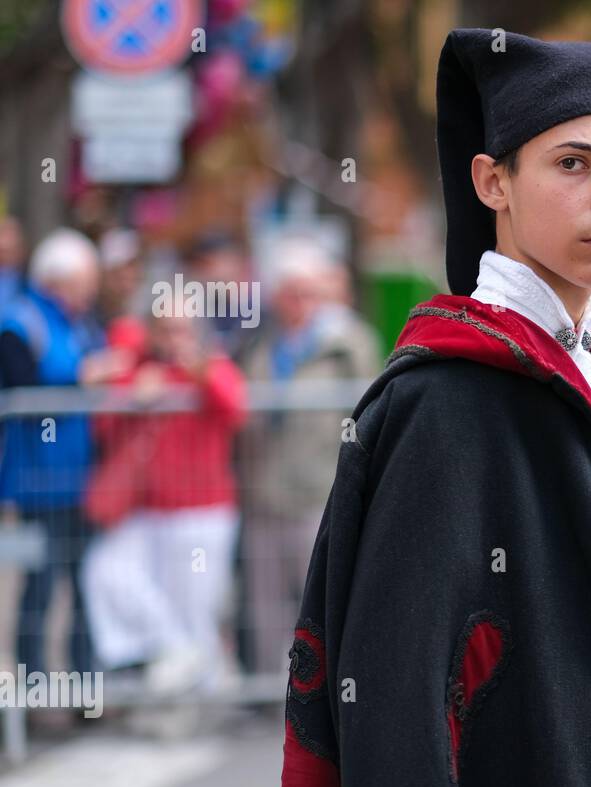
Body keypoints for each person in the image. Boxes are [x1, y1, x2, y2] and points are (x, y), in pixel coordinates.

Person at [275, 28, 591, 787]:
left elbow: (590, 613)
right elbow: (402, 706)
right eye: (573, 163)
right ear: (493, 180)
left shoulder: (581, 367)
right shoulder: (447, 401)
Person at [80, 307, 247, 692]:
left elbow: (235, 407)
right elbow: (102, 425)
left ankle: (202, 701)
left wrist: (199, 375)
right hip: (149, 509)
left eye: (181, 329)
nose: (174, 338)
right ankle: (176, 655)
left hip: (202, 511)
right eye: (165, 329)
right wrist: (131, 396)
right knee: (106, 570)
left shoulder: (213, 365)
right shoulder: (142, 371)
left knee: (196, 611)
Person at [239, 240, 380, 675]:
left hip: (318, 492)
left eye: (306, 292)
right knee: (266, 604)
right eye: (288, 292)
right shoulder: (265, 347)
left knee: (316, 601)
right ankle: (270, 692)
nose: (296, 302)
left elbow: (368, 413)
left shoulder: (347, 344)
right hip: (266, 492)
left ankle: (322, 692)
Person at [0, 229, 112, 676]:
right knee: (40, 590)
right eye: (85, 281)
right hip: (38, 485)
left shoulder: (81, 322)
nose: (91, 291)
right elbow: (22, 388)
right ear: (58, 281)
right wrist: (82, 378)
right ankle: (33, 689)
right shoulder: (18, 322)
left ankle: (87, 689)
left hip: (84, 480)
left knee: (88, 588)